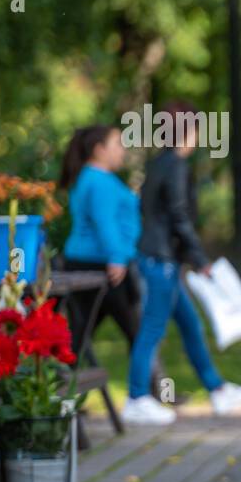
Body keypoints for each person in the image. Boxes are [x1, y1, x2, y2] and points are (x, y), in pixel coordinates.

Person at [124, 101, 241, 426]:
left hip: (163, 260)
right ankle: (137, 398)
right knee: (152, 330)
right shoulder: (177, 166)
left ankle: (218, 390)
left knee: (191, 326)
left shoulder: (158, 164)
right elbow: (179, 217)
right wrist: (199, 259)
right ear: (187, 131)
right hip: (162, 262)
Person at [59, 124, 145, 359]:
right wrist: (117, 258)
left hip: (90, 262)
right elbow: (105, 222)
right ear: (99, 149)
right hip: (104, 265)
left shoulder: (90, 177)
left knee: (79, 333)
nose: (123, 150)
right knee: (138, 332)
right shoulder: (98, 181)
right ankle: (146, 391)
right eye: (117, 144)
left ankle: (58, 389)